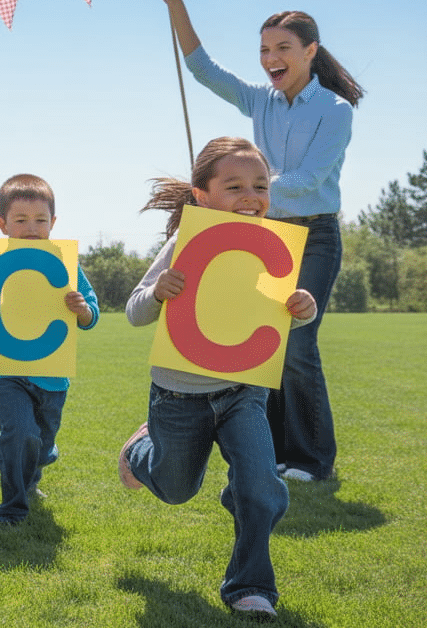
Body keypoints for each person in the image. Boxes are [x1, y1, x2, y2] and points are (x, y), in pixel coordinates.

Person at [161, 0, 363, 482]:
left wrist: (242, 191)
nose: (271, 57)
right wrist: (178, 3)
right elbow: (201, 68)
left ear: (311, 51)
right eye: (265, 49)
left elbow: (310, 179)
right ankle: (272, 453)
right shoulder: (259, 100)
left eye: (283, 48)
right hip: (263, 234)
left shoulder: (335, 110)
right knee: (262, 343)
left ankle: (314, 462)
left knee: (296, 343)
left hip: (313, 235)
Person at [119, 137, 318, 620]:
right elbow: (133, 311)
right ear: (201, 195)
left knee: (261, 488)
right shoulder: (182, 244)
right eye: (235, 186)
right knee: (176, 488)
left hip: (243, 391)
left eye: (260, 185)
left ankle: (249, 587)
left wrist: (302, 308)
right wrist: (158, 293)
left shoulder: (272, 247)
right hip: (178, 396)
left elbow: (275, 314)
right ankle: (139, 452)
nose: (252, 196)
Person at [0, 174, 98, 526]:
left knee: (39, 442)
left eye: (40, 220)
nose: (32, 228)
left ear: (53, 223)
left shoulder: (65, 264)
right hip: (5, 370)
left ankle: (29, 466)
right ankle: (12, 509)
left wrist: (82, 308)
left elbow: (91, 315)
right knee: (20, 433)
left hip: (51, 373)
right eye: (20, 220)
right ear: (2, 224)